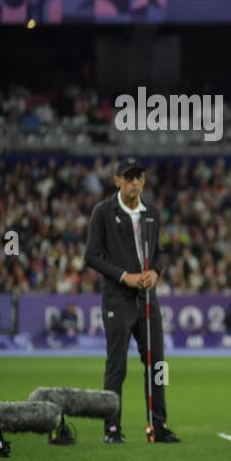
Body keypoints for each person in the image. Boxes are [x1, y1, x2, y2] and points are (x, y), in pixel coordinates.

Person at [83, 158, 182, 444]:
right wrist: (124, 276)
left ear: (144, 181)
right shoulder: (102, 212)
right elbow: (90, 256)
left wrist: (155, 271)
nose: (134, 182)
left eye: (138, 177)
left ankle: (158, 427)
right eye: (128, 178)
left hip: (148, 299)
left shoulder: (151, 212)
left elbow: (159, 251)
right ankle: (111, 428)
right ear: (117, 181)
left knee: (158, 364)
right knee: (117, 366)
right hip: (118, 299)